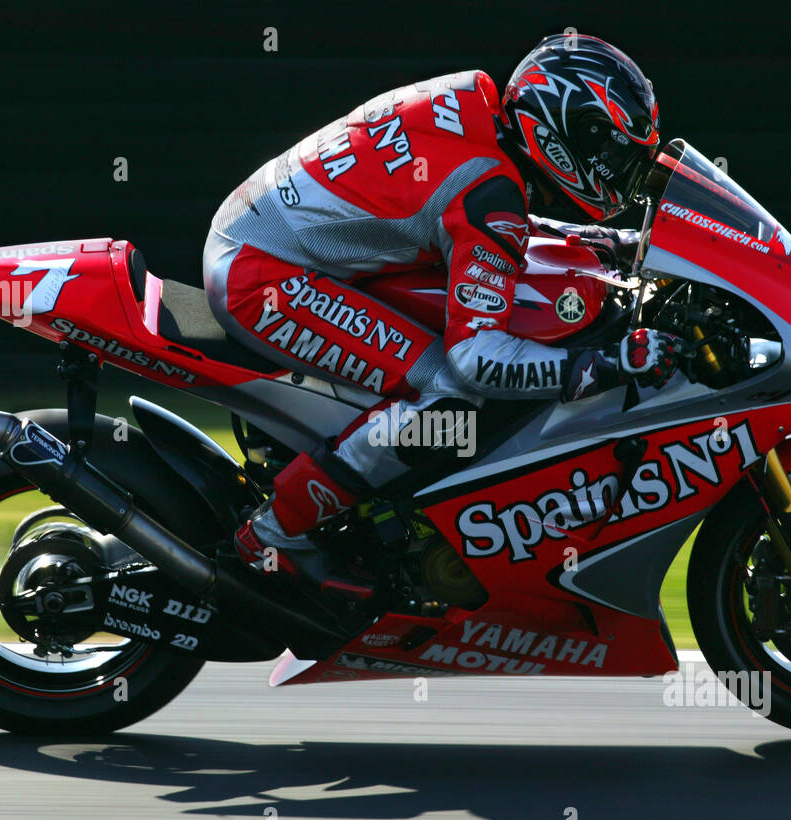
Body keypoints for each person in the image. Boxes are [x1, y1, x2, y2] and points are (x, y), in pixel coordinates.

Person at [203, 33, 683, 580]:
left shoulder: (479, 107)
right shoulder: (489, 189)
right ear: (561, 133)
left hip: (263, 232)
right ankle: (272, 536)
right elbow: (478, 357)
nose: (621, 171)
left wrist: (605, 244)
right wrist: (598, 364)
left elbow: (461, 212)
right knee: (452, 398)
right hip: (261, 275)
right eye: (615, 153)